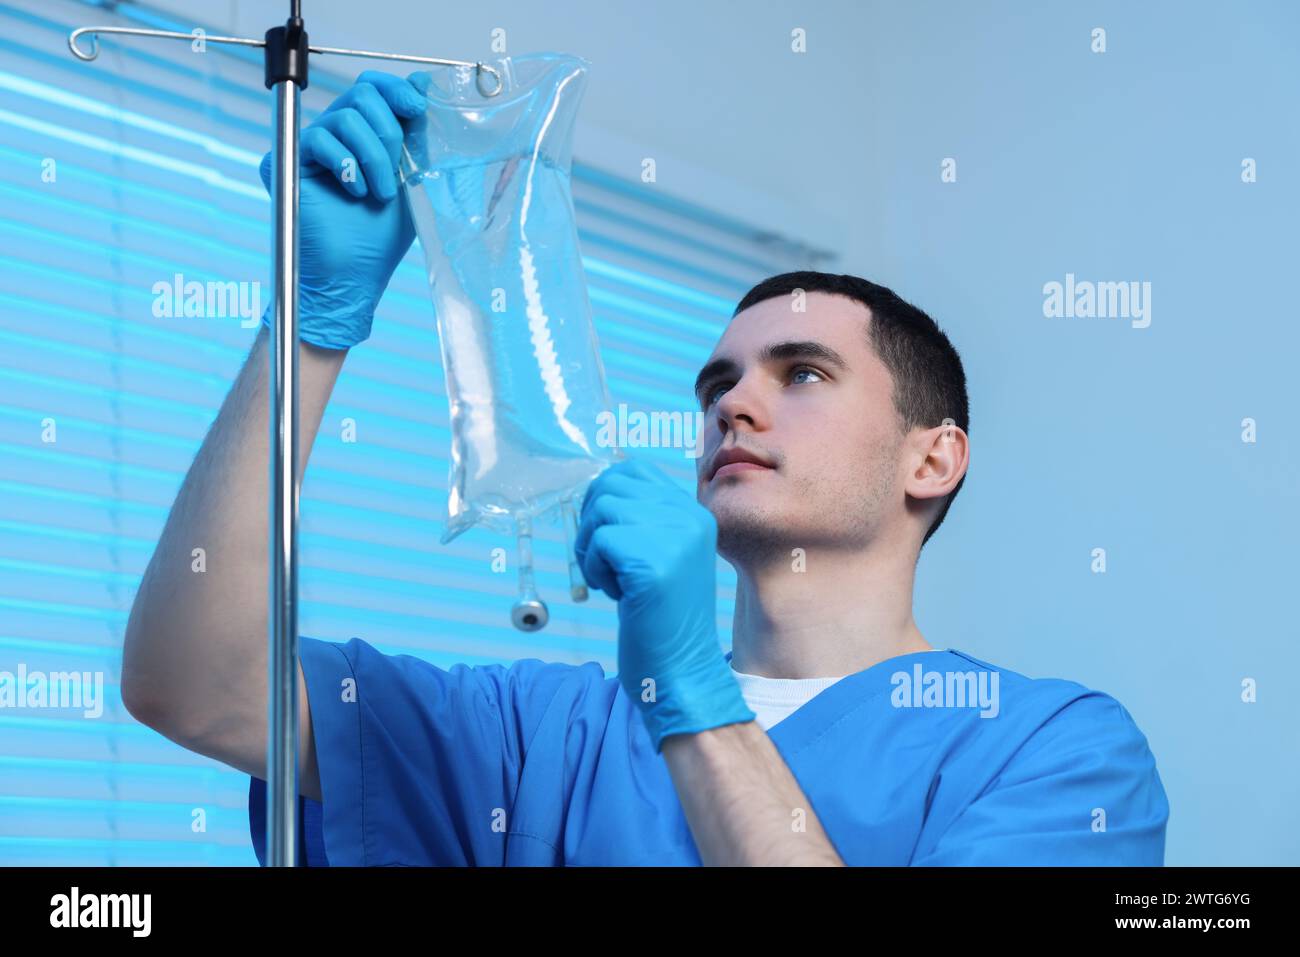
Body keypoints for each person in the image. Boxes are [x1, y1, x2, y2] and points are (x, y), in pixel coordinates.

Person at [121, 71, 1169, 866]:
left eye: (800, 373)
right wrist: (309, 319)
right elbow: (195, 688)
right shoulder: (545, 739)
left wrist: (691, 692)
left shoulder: (1055, 753)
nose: (734, 405)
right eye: (717, 385)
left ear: (932, 457)